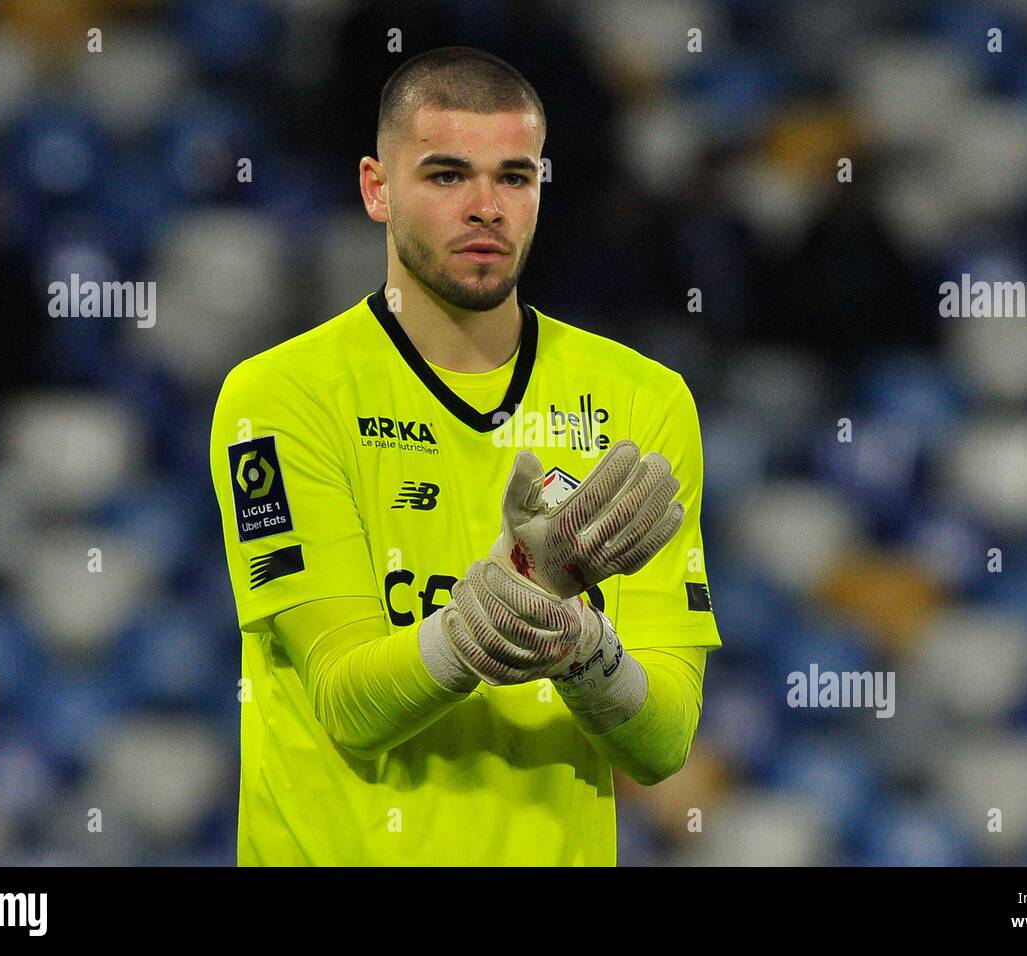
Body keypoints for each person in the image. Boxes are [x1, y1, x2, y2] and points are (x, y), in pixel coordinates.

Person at [209, 46, 721, 865]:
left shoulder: (643, 402)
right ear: (377, 188)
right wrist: (500, 613)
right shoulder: (279, 397)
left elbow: (660, 744)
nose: (486, 207)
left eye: (514, 178)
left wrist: (583, 647)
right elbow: (349, 703)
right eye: (447, 176)